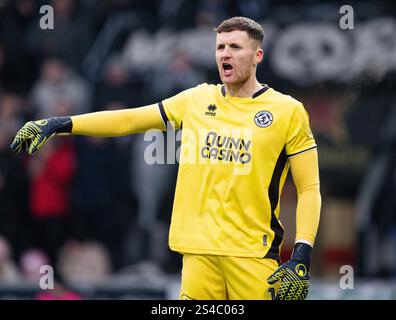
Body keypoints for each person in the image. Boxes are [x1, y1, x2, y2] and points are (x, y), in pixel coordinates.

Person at [10, 16, 321, 300]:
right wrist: (59, 124)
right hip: (197, 256)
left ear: (257, 56)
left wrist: (302, 254)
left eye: (235, 47)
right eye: (220, 47)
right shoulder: (197, 99)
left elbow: (309, 188)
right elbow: (129, 120)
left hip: (252, 256)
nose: (225, 54)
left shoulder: (287, 111)